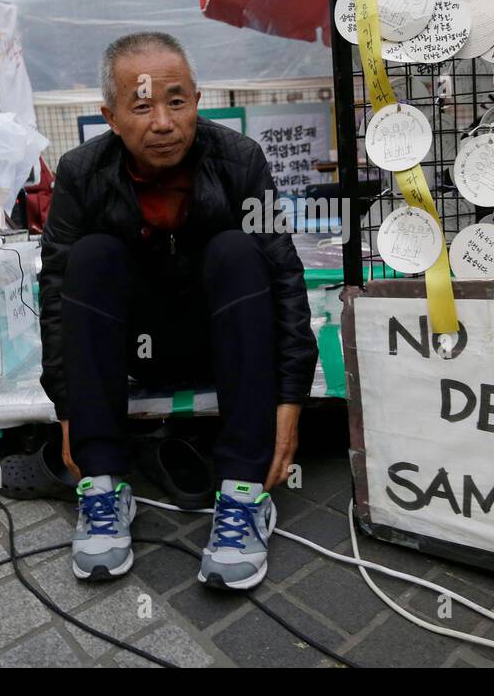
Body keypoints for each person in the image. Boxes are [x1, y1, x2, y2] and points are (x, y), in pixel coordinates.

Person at [38, 32, 317, 590]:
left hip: (222, 345)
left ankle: (243, 493)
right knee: (88, 257)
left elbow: (285, 275)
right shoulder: (80, 173)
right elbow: (55, 295)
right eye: (141, 107)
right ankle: (102, 485)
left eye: (176, 101)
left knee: (240, 248)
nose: (163, 123)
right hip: (138, 349)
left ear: (196, 99)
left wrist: (290, 395)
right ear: (110, 117)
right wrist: (69, 410)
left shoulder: (239, 160)